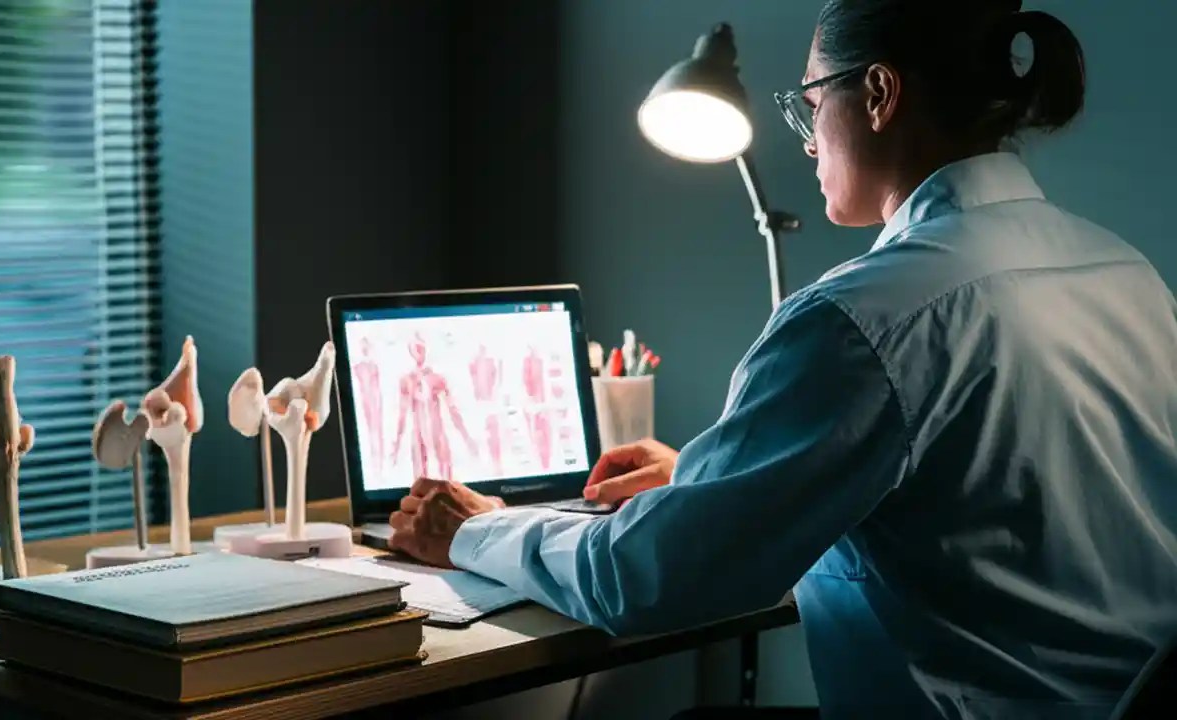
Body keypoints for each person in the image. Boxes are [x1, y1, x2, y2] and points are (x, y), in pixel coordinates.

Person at [386, 1, 1177, 718]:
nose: (804, 138)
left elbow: (643, 580)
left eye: (810, 99)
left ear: (877, 94)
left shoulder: (863, 320)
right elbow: (977, 508)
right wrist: (712, 482)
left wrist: (475, 531)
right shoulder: (1122, 273)